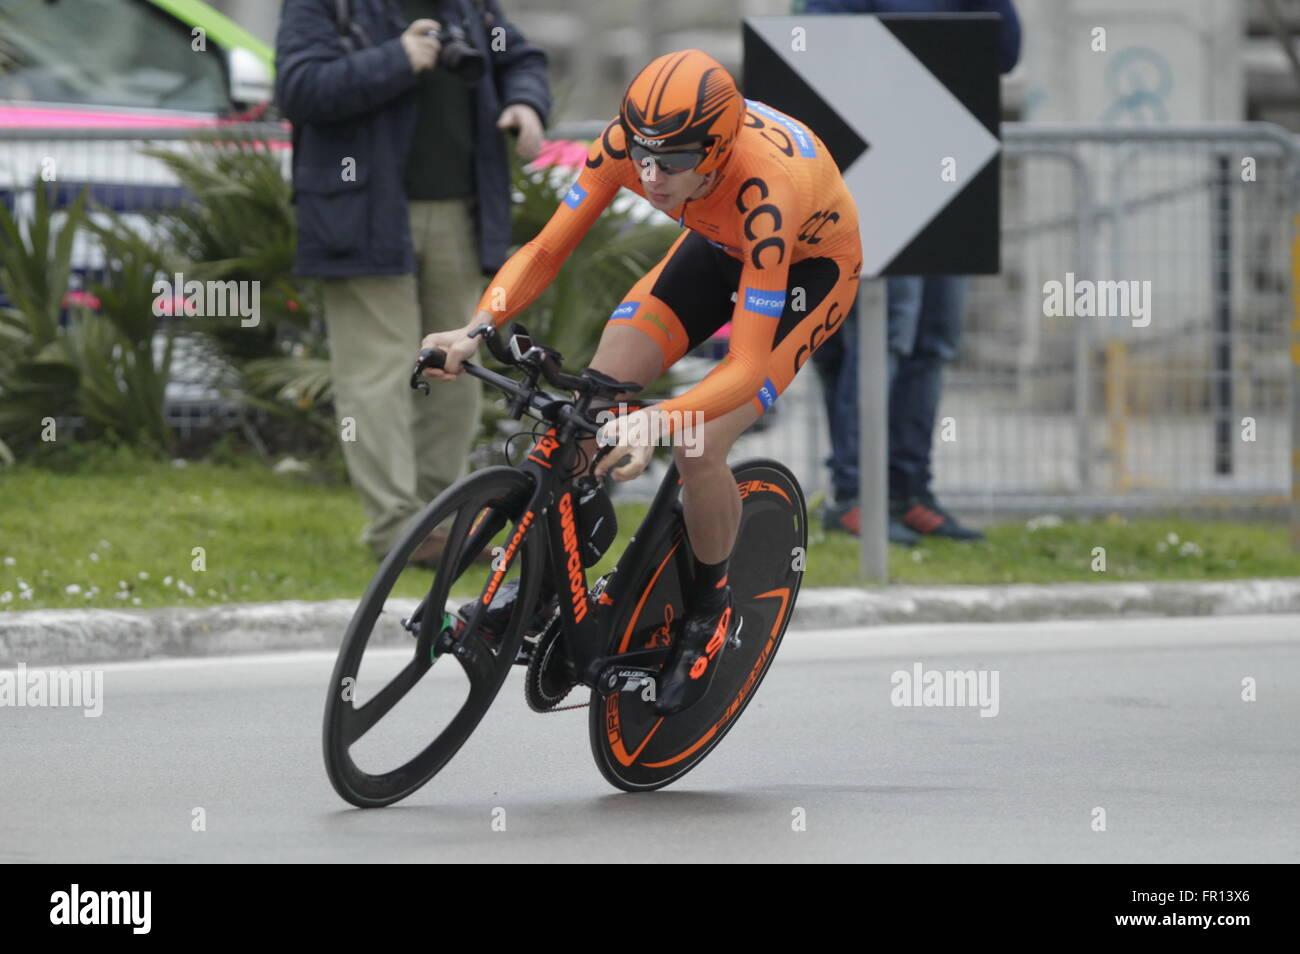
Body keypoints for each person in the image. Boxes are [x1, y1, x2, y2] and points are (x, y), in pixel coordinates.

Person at [421, 50, 862, 715]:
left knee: (697, 442)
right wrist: (474, 328)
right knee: (589, 403)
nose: (653, 178)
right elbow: (545, 248)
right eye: (645, 157)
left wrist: (658, 421)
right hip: (716, 249)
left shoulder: (766, 190)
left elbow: (742, 367)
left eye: (675, 162)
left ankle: (709, 612)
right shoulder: (632, 146)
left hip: (806, 272)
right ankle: (544, 582)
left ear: (716, 152)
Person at [275, 0, 550, 564]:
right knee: (377, 372)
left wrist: (526, 101)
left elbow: (518, 56)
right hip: (361, 211)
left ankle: (438, 520)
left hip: (462, 213)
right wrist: (396, 58)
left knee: (458, 367)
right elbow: (300, 88)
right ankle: (397, 528)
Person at [800, 0, 1021, 545]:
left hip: (947, 177)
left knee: (932, 342)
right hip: (876, 185)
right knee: (880, 341)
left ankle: (908, 492)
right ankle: (855, 495)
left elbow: (1007, 52)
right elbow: (812, 42)